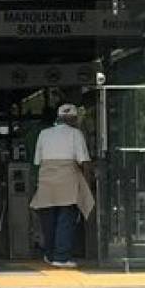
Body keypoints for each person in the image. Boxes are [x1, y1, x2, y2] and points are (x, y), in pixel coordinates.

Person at [30, 104, 94, 268]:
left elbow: (37, 161)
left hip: (46, 180)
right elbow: (84, 161)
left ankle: (50, 255)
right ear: (72, 119)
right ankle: (61, 257)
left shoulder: (43, 134)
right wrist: (86, 184)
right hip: (67, 180)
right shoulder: (76, 134)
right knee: (66, 219)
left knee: (48, 220)